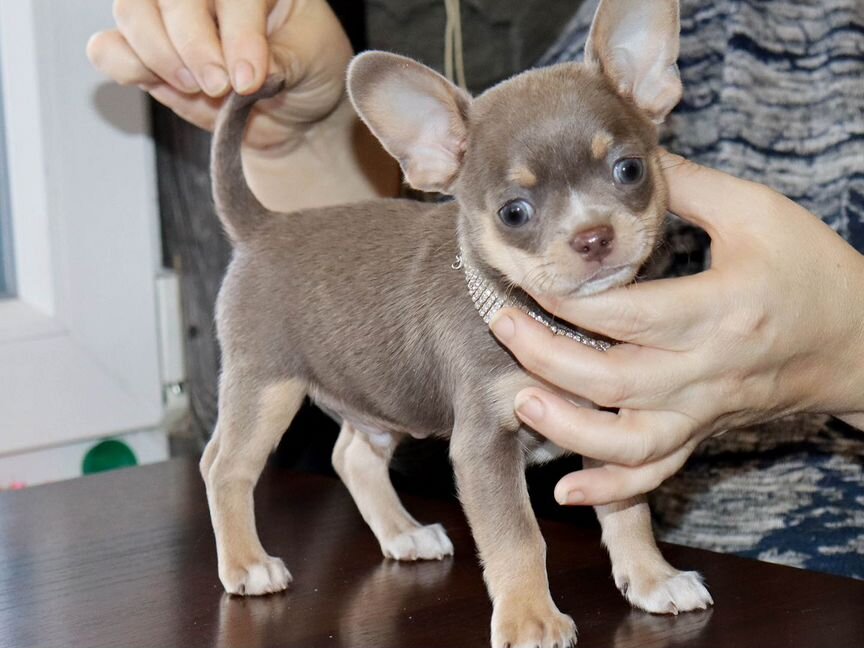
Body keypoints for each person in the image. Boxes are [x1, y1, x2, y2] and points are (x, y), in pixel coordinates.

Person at [88, 0, 864, 573]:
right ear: (433, 159)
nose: (589, 232)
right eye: (522, 213)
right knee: (257, 441)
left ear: (651, 85)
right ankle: (244, 540)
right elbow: (376, 274)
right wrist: (301, 137)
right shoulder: (465, 263)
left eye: (625, 172)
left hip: (801, 572)